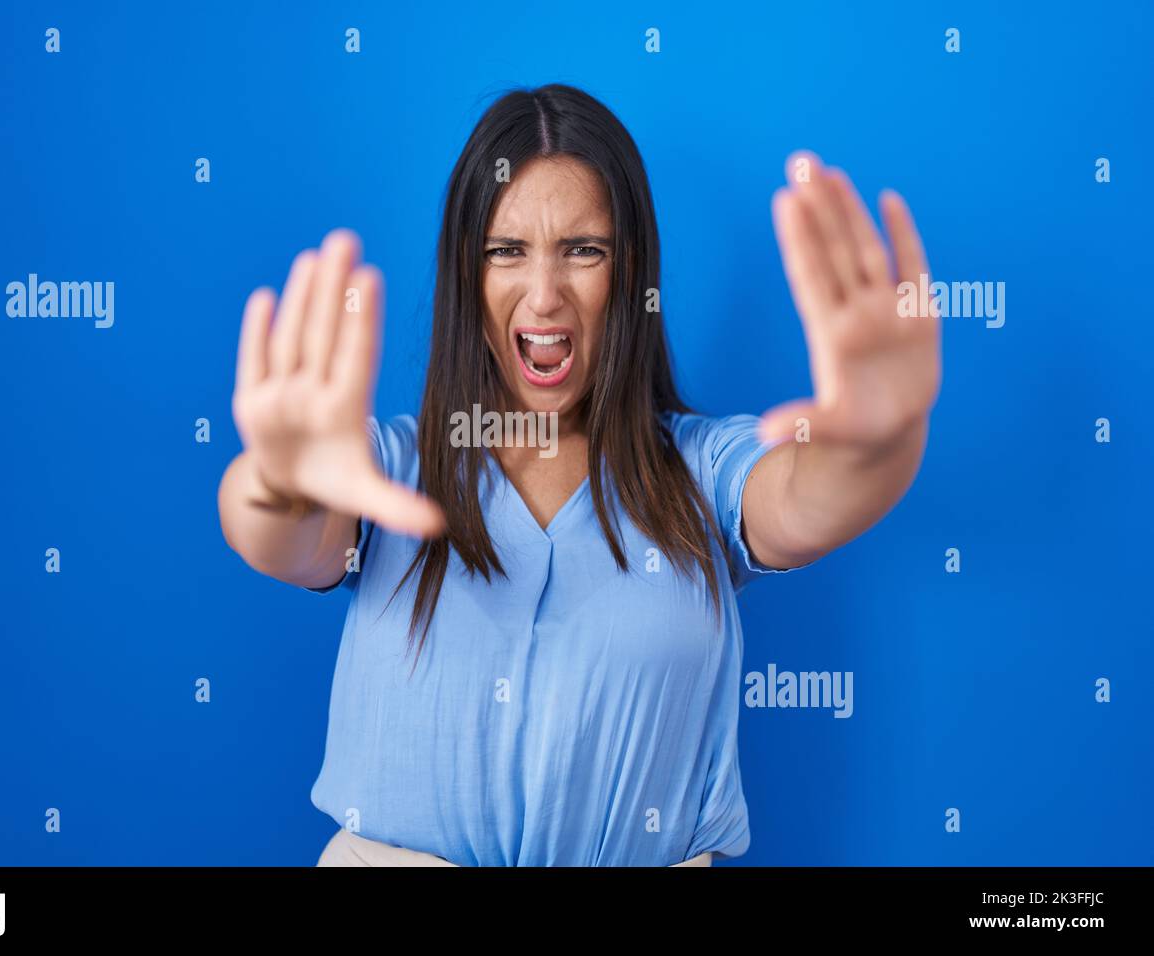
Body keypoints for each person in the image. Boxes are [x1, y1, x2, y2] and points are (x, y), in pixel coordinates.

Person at [217, 84, 940, 866]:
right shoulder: (391, 470)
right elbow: (279, 537)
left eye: (583, 250)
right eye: (506, 250)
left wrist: (882, 438)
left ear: (629, 274)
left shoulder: (701, 473)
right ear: (467, 273)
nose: (544, 294)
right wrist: (279, 483)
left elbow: (812, 499)